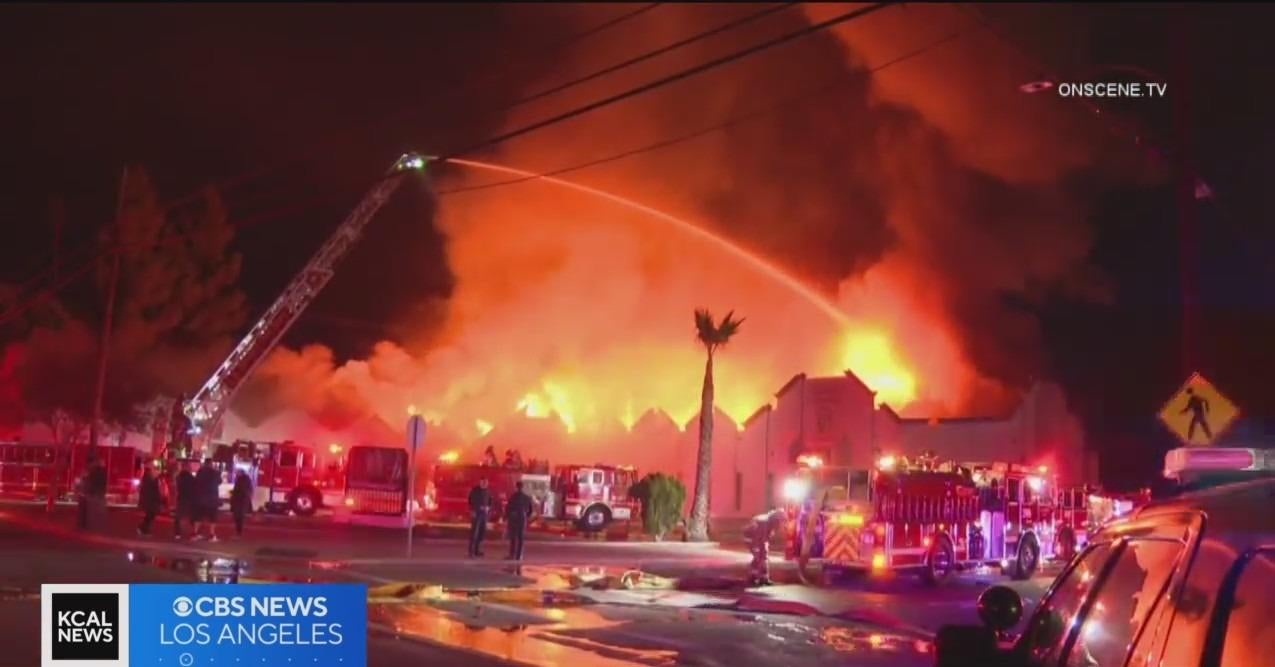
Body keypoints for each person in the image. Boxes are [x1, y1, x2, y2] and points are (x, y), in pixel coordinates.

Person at [744, 508, 788, 586]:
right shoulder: (764, 522)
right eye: (781, 520)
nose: (781, 523)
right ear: (776, 518)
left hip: (759, 539)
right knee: (759, 558)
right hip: (752, 539)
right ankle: (753, 577)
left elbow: (766, 536)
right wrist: (756, 548)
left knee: (763, 558)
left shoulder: (772, 522)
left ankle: (763, 578)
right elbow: (759, 536)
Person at [193, 458, 221, 542]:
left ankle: (195, 533)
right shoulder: (215, 473)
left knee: (198, 517)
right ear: (211, 464)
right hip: (211, 499)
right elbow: (219, 481)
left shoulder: (200, 472)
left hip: (200, 498)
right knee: (212, 518)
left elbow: (196, 482)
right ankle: (211, 535)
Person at [505, 481, 534, 561]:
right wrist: (526, 516)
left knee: (513, 537)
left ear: (516, 487)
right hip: (522, 518)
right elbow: (530, 510)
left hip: (514, 518)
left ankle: (512, 554)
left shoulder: (513, 497)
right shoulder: (527, 497)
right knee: (521, 537)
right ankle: (519, 555)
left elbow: (508, 508)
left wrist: (507, 517)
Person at [467, 477, 491, 557]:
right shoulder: (475, 491)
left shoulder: (487, 491)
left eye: (486, 482)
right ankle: (471, 552)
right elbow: (470, 501)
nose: (485, 484)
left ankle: (477, 550)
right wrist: (475, 509)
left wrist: (488, 507)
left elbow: (490, 501)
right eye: (483, 482)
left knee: (481, 533)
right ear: (480, 482)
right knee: (474, 533)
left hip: (484, 514)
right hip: (476, 513)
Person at [136, 464, 162, 536]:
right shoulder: (148, 478)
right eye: (157, 471)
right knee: (149, 516)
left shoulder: (155, 479)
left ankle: (143, 529)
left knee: (150, 516)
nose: (158, 473)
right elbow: (147, 490)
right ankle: (143, 529)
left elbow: (156, 490)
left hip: (153, 500)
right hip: (150, 500)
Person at [174, 461, 196, 539]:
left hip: (181, 498)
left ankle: (177, 533)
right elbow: (194, 488)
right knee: (191, 516)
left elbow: (177, 487)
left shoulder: (179, 477)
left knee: (179, 516)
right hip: (189, 498)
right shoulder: (191, 478)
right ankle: (193, 532)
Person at [230, 470, 253, 538]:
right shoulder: (246, 479)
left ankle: (238, 533)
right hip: (243, 500)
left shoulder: (241, 479)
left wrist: (234, 494)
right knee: (240, 517)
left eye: (237, 473)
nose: (236, 474)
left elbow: (239, 489)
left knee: (238, 517)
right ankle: (239, 532)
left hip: (240, 500)